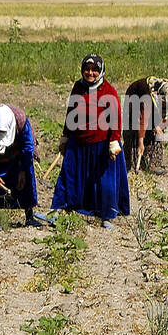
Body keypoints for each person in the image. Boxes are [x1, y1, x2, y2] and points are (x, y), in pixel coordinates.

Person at [52, 54, 130, 227]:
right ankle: (58, 210)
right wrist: (65, 137)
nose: (90, 73)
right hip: (78, 141)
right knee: (68, 176)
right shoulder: (78, 87)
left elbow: (116, 118)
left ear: (101, 70)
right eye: (87, 69)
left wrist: (114, 141)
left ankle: (107, 215)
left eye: (94, 69)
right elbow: (71, 112)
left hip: (101, 143)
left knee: (105, 181)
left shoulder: (108, 90)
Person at [0, 102, 44, 227]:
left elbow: (27, 148)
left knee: (27, 174)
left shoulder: (21, 121)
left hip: (16, 156)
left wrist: (22, 171)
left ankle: (29, 216)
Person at [122, 77, 168, 174]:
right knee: (134, 128)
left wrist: (159, 127)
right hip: (135, 97)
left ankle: (151, 164)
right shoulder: (148, 98)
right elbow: (143, 121)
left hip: (152, 105)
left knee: (157, 133)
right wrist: (141, 142)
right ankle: (131, 162)